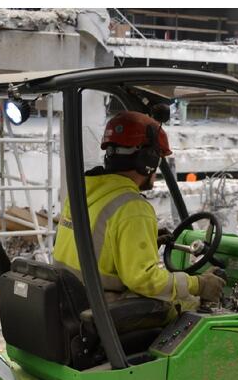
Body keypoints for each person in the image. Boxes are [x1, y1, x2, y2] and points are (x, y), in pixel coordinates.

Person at [53, 111, 225, 317]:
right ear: (149, 160)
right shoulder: (132, 208)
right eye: (158, 158)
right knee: (190, 305)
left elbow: (95, 241)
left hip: (72, 303)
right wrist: (199, 284)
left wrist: (143, 241)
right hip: (104, 310)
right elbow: (144, 280)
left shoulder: (81, 192)